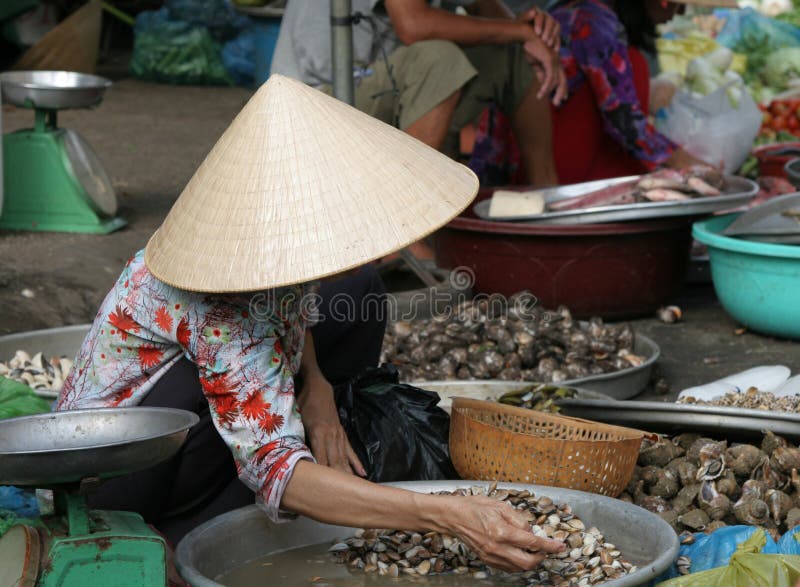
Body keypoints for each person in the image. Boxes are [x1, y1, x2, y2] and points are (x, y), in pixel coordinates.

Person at [56, 75, 565, 571]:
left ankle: (327, 475)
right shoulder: (221, 298)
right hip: (119, 474)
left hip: (219, 402)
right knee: (228, 404)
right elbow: (276, 469)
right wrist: (447, 515)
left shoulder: (275, 247)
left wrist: (317, 392)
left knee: (359, 286)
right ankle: (172, 531)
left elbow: (295, 315)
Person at [271, 0, 567, 188]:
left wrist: (529, 31)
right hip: (312, 104)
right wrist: (519, 32)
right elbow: (413, 24)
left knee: (516, 52)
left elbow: (484, 8)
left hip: (381, 87)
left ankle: (546, 197)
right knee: (440, 60)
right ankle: (403, 237)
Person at [469, 0, 725, 186]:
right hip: (544, 162)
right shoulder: (592, 21)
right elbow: (625, 121)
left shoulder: (573, 12)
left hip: (528, 157)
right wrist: (689, 164)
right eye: (677, 4)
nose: (679, 12)